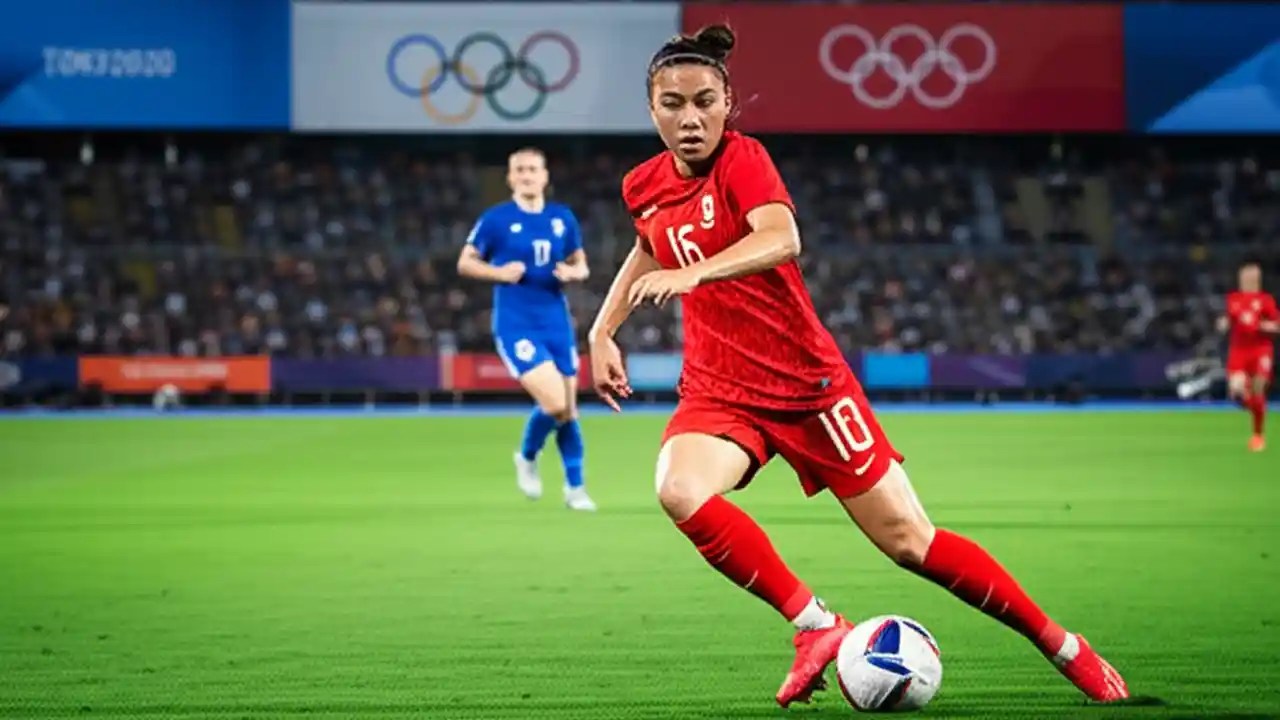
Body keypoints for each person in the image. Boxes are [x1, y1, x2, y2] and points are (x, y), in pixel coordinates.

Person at [587, 25, 1129, 707]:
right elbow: (648, 245)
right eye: (672, 104)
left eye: (704, 102)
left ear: (728, 105)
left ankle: (1062, 645)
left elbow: (782, 238)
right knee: (678, 489)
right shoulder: (644, 184)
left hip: (809, 389)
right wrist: (603, 330)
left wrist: (695, 275)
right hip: (723, 392)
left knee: (911, 543)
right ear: (651, 109)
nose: (689, 119)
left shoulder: (743, 160)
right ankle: (815, 627)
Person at [458, 147, 597, 511]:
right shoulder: (496, 220)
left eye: (532, 169)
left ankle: (575, 488)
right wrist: (497, 273)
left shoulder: (561, 218)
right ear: (509, 178)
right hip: (516, 323)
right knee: (554, 403)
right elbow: (466, 262)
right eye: (519, 169)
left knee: (569, 410)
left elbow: (579, 260)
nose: (526, 175)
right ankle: (526, 455)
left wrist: (576, 272)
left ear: (545, 176)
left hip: (556, 321)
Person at [1217, 259, 1278, 452]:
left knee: (1258, 387)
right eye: (1244, 276)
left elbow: (1277, 324)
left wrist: (1265, 326)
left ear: (1257, 279)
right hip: (1239, 351)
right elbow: (1228, 319)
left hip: (1260, 350)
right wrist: (1223, 324)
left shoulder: (1266, 300)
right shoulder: (1233, 299)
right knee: (1236, 390)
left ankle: (1258, 436)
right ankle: (1253, 405)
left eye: (1251, 276)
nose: (1247, 280)